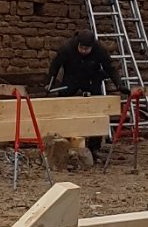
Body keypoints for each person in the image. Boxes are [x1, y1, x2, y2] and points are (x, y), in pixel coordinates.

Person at [47, 30, 122, 160]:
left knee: (97, 111)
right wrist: (50, 83)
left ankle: (94, 147)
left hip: (91, 79)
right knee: (63, 106)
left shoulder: (100, 50)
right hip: (71, 78)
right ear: (78, 44)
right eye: (81, 48)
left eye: (86, 49)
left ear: (92, 47)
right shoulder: (67, 48)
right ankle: (61, 141)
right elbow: (55, 66)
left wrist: (119, 85)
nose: (83, 51)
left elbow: (110, 68)